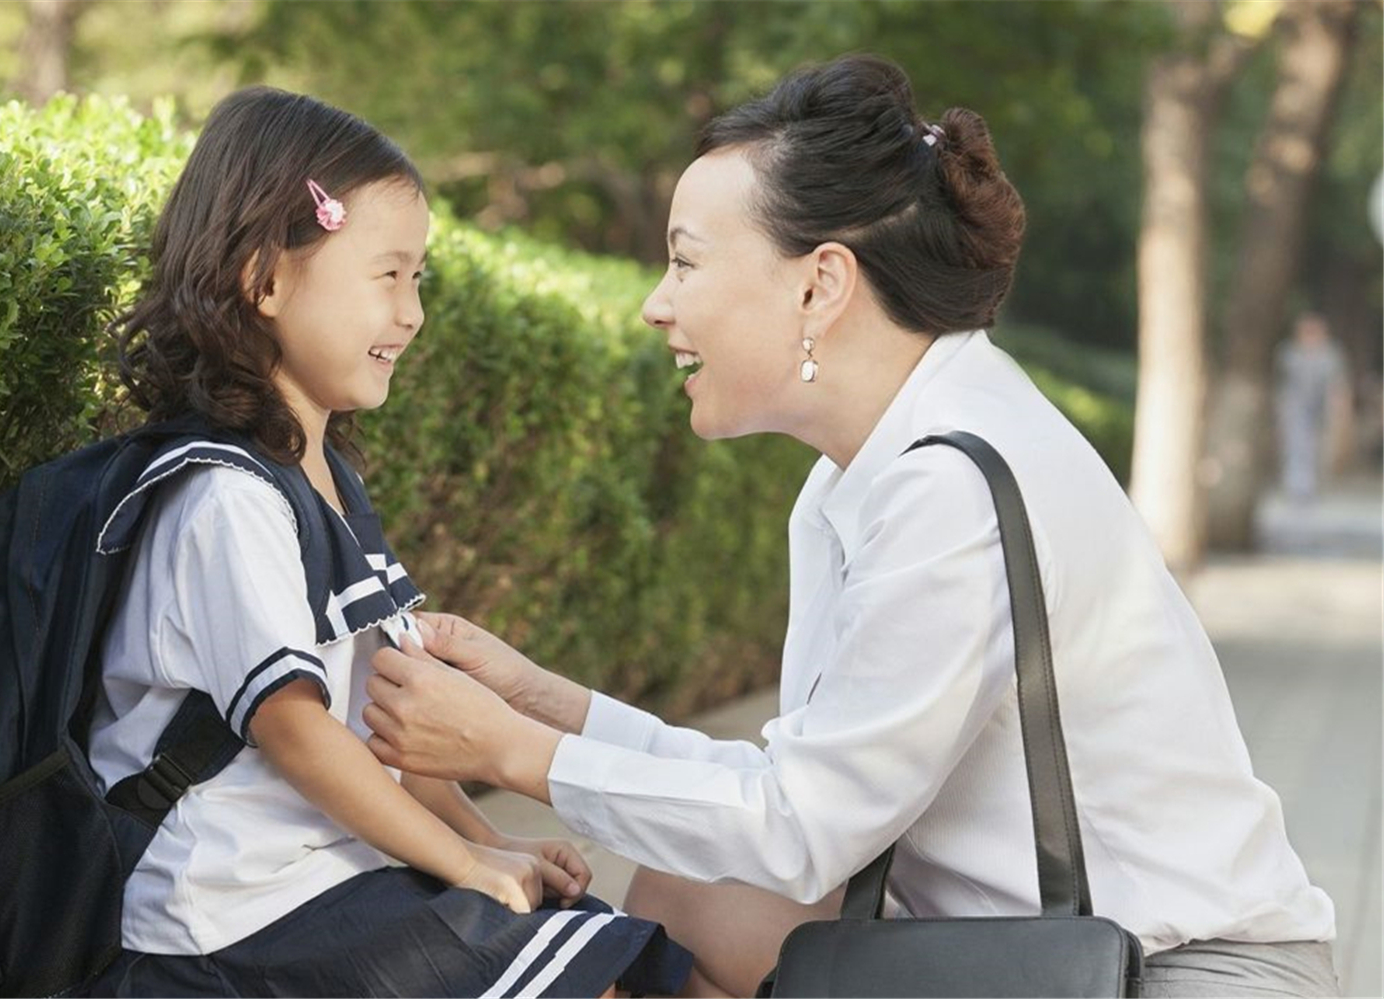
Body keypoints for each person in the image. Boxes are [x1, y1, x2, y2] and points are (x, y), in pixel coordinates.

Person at [362, 55, 1341, 999]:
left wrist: (509, 752)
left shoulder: (947, 484)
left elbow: (801, 830)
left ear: (821, 285)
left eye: (686, 263)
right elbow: (806, 783)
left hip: (1175, 973)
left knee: (696, 902)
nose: (657, 307)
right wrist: (548, 707)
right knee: (687, 896)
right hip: (1049, 948)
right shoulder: (876, 467)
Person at [83, 86, 691, 998]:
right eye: (388, 275)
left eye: (421, 279)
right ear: (267, 276)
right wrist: (462, 862)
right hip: (227, 916)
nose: (412, 314)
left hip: (327, 876)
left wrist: (490, 844)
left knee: (618, 952)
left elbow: (379, 730)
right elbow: (294, 729)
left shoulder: (324, 479)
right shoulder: (225, 497)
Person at [1275, 311, 1350, 500]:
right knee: (1297, 445)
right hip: (1296, 407)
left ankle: (1311, 485)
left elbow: (1337, 383)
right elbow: (1283, 384)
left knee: (1316, 447)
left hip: (1321, 407)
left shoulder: (1330, 355)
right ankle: (1298, 487)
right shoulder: (1289, 354)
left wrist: (1339, 409)